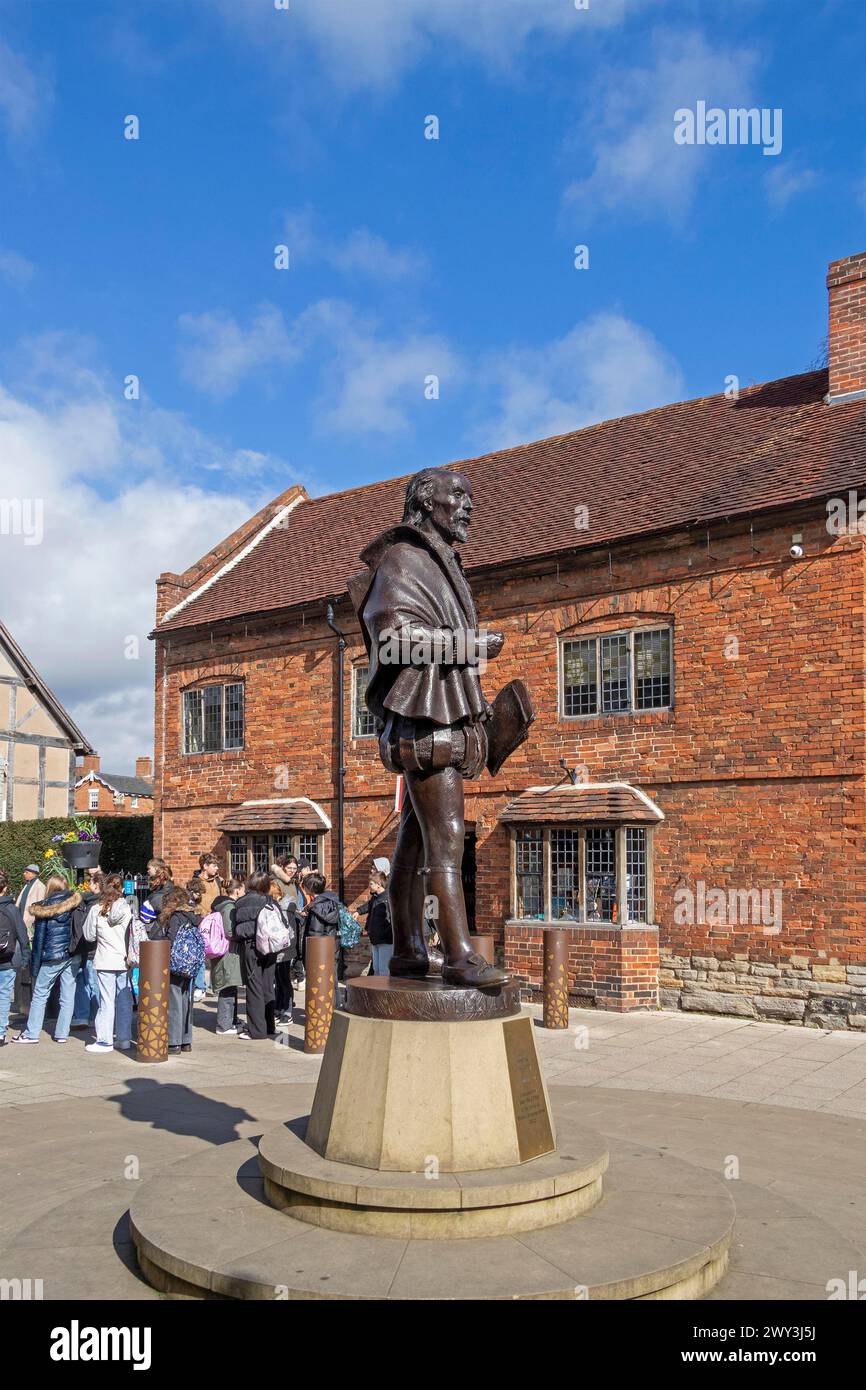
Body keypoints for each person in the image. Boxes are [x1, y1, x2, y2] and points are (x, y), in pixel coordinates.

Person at [347, 466, 510, 987]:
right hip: (423, 722)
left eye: (470, 496)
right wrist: (471, 646)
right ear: (425, 502)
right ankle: (461, 955)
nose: (468, 505)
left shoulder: (443, 563)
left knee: (413, 845)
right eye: (457, 495)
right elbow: (394, 637)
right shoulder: (404, 558)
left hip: (441, 716)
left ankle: (409, 953)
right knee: (448, 837)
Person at [14, 876, 81, 1043]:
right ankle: (62, 1034)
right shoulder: (75, 903)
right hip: (72, 954)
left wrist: (34, 965)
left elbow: (39, 939)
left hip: (52, 955)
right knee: (67, 995)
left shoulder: (44, 908)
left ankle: (32, 1033)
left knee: (40, 994)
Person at [83, 873, 133, 1055]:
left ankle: (104, 1040)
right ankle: (124, 1038)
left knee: (106, 1000)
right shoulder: (127, 909)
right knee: (124, 999)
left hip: (105, 958)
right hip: (124, 959)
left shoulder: (97, 909)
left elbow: (89, 935)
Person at [147, 885, 201, 1054]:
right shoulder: (193, 916)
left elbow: (170, 939)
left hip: (175, 963)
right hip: (190, 963)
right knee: (186, 1000)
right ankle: (186, 1041)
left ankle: (174, 1042)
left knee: (174, 1000)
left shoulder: (175, 917)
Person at [233, 870, 277, 1041]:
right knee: (268, 986)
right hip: (271, 946)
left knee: (254, 986)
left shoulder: (241, 902)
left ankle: (257, 1030)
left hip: (251, 946)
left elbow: (236, 927)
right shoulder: (270, 901)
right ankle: (269, 1026)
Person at [69, 868, 102, 1031]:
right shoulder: (89, 902)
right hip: (87, 949)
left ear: (96, 885)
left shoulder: (94, 905)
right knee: (84, 982)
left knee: (92, 983)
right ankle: (84, 1015)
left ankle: (95, 1017)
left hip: (91, 950)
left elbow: (89, 930)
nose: (88, 884)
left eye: (91, 881)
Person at [301, 871, 343, 1000]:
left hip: (319, 951)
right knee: (332, 977)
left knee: (320, 981)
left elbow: (315, 933)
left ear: (310, 888)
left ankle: (323, 1013)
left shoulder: (316, 908)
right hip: (332, 945)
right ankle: (335, 1005)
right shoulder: (331, 901)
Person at [211, 877, 244, 1035]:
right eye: (243, 890)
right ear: (237, 891)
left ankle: (231, 1020)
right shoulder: (229, 907)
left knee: (231, 984)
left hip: (224, 951)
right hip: (228, 951)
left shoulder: (220, 905)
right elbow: (230, 931)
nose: (244, 893)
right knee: (228, 985)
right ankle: (223, 1025)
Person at [0, 870, 30, 1045]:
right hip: (8, 959)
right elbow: (22, 934)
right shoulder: (12, 908)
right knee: (4, 995)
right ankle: (0, 1031)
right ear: (5, 888)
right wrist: (25, 957)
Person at [270, 873, 300, 1023]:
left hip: (286, 949)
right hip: (277, 949)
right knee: (278, 979)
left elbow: (289, 932)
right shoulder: (277, 908)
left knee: (284, 980)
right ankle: (279, 1008)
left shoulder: (286, 909)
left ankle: (287, 1012)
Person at [357, 857, 393, 976]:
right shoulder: (376, 896)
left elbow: (390, 918)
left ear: (378, 884)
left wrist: (385, 932)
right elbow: (370, 904)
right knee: (377, 968)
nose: (371, 870)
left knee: (383, 969)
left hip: (385, 937)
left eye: (374, 868)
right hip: (376, 936)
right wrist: (359, 911)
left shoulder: (388, 894)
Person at [185, 876, 208, 1002]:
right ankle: (198, 987)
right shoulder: (188, 903)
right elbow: (194, 920)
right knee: (197, 962)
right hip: (191, 936)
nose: (199, 896)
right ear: (192, 891)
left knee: (198, 961)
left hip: (195, 936)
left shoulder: (193, 903)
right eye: (198, 893)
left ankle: (197, 987)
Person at [16, 864, 46, 938]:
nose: (24, 874)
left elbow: (40, 907)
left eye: (26, 872)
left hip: (30, 922)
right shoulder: (27, 885)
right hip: (20, 920)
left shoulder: (40, 886)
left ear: (33, 874)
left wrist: (34, 921)